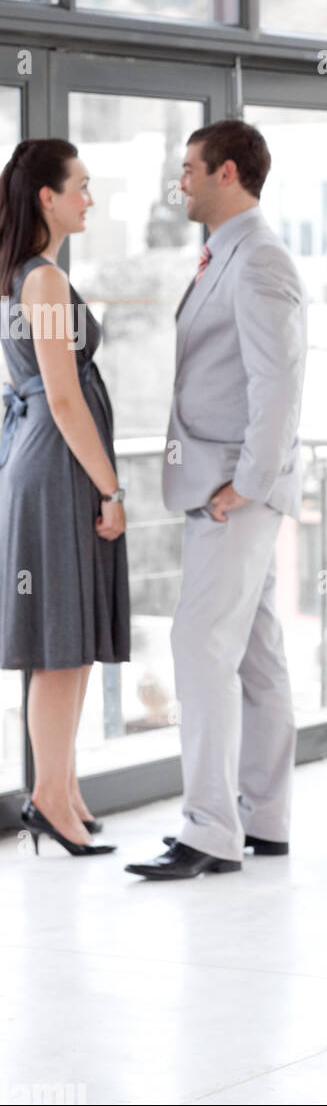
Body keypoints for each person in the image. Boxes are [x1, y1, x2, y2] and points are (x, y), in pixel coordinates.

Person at [126, 121, 307, 881]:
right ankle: (263, 818)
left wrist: (249, 483)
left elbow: (280, 381)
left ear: (226, 172)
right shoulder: (227, 253)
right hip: (227, 486)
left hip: (234, 493)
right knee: (257, 656)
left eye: (189, 169)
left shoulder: (259, 258)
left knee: (198, 648)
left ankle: (209, 831)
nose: (181, 182)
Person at [0, 139, 128, 857]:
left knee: (68, 639)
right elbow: (62, 396)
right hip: (57, 465)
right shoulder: (42, 281)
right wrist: (112, 486)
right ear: (46, 196)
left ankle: (63, 789)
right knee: (59, 643)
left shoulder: (22, 275)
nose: (89, 198)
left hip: (41, 459)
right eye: (80, 185)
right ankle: (49, 798)